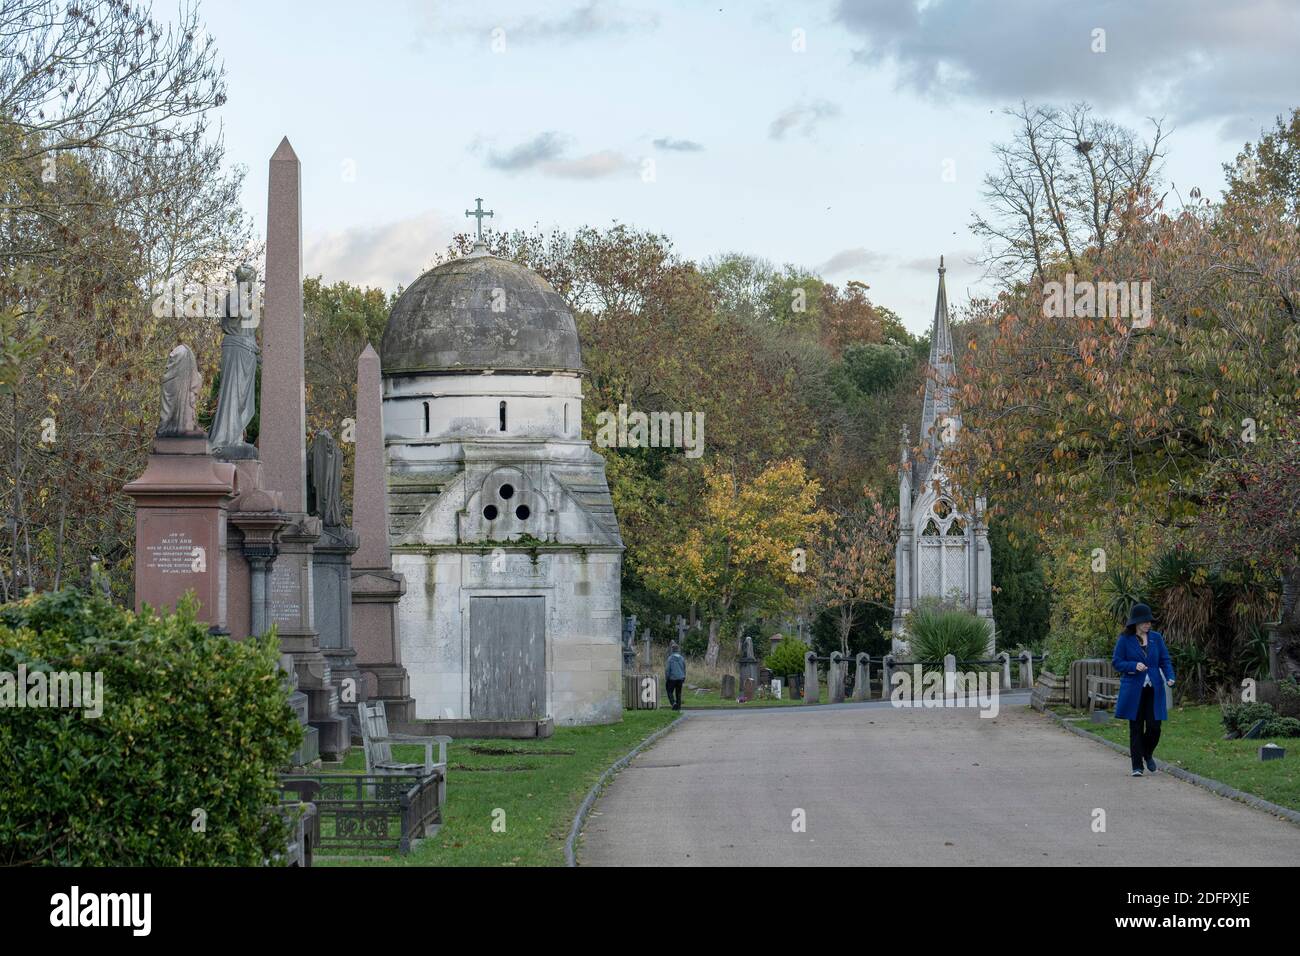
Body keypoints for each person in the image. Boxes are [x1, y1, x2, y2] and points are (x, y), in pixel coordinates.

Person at [1112, 604, 1175, 776]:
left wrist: (1170, 677)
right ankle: (1137, 766)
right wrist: (1133, 665)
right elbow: (1116, 662)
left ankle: (1147, 753)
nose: (1149, 624)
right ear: (1136, 623)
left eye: (1150, 621)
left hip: (1154, 689)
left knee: (1155, 727)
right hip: (1133, 690)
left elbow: (1165, 660)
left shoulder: (1156, 638)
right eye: (1145, 622)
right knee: (1136, 727)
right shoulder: (1125, 639)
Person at [665, 642, 687, 711]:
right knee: (678, 693)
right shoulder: (682, 658)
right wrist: (684, 677)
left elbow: (667, 669)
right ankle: (679, 707)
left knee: (669, 691)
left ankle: (673, 703)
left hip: (672, 678)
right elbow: (684, 668)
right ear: (678, 650)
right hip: (680, 678)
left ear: (672, 650)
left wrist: (667, 677)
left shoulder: (670, 658)